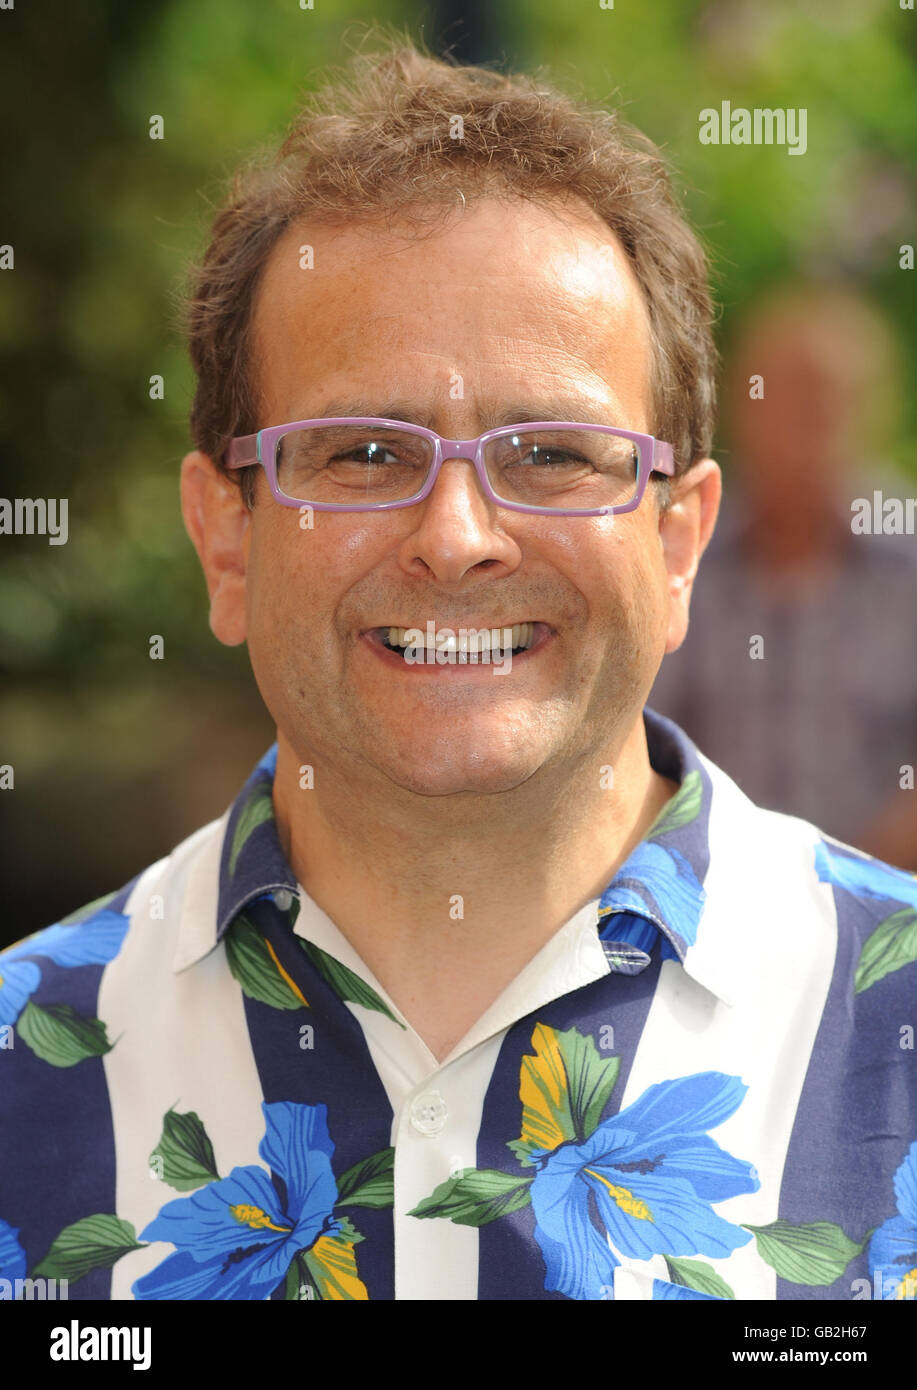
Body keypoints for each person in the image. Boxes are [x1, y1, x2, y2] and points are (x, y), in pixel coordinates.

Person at [1, 38, 915, 1305]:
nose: (456, 539)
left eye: (549, 452)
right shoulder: (19, 1066)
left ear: (679, 541)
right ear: (225, 539)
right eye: (363, 452)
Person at [650, 282, 917, 867]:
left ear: (875, 408)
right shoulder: (679, 554)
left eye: (823, 400)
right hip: (712, 898)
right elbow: (639, 737)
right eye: (780, 398)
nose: (803, 425)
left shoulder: (908, 564)